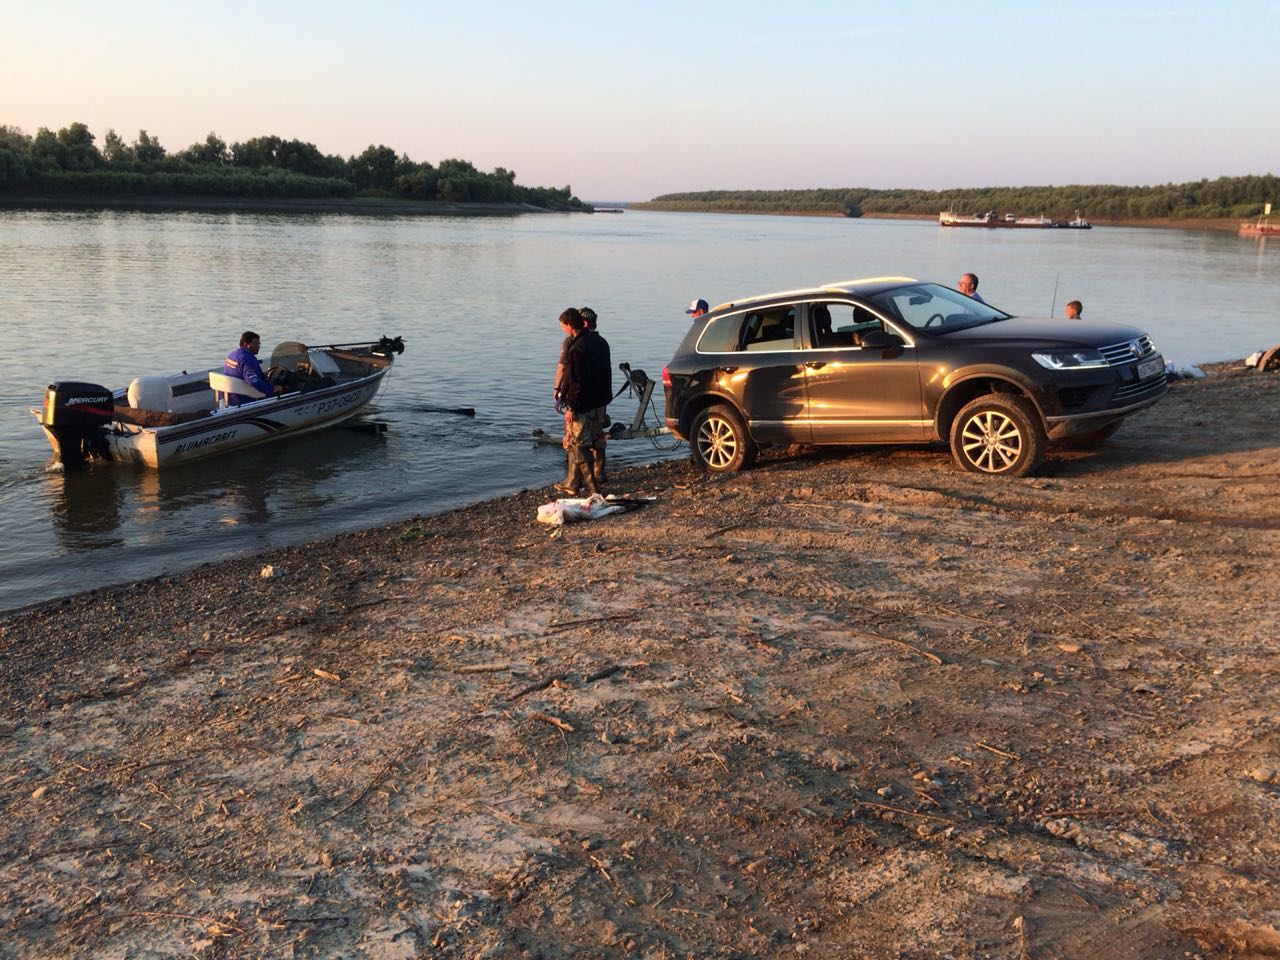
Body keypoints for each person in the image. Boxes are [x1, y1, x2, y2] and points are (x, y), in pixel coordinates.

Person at [558, 308, 612, 496]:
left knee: (580, 444)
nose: (563, 330)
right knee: (596, 439)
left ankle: (593, 488)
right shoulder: (601, 342)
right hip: (600, 402)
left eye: (563, 326)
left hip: (583, 404)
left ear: (570, 325)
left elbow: (576, 380)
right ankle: (595, 477)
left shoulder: (576, 347)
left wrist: (570, 406)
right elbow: (606, 373)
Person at [224, 331, 283, 406]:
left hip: (231, 395)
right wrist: (271, 390)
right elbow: (253, 381)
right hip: (244, 398)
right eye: (255, 344)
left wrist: (261, 375)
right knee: (286, 390)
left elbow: (243, 373)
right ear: (246, 344)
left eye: (259, 344)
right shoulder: (247, 359)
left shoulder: (233, 354)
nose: (258, 346)